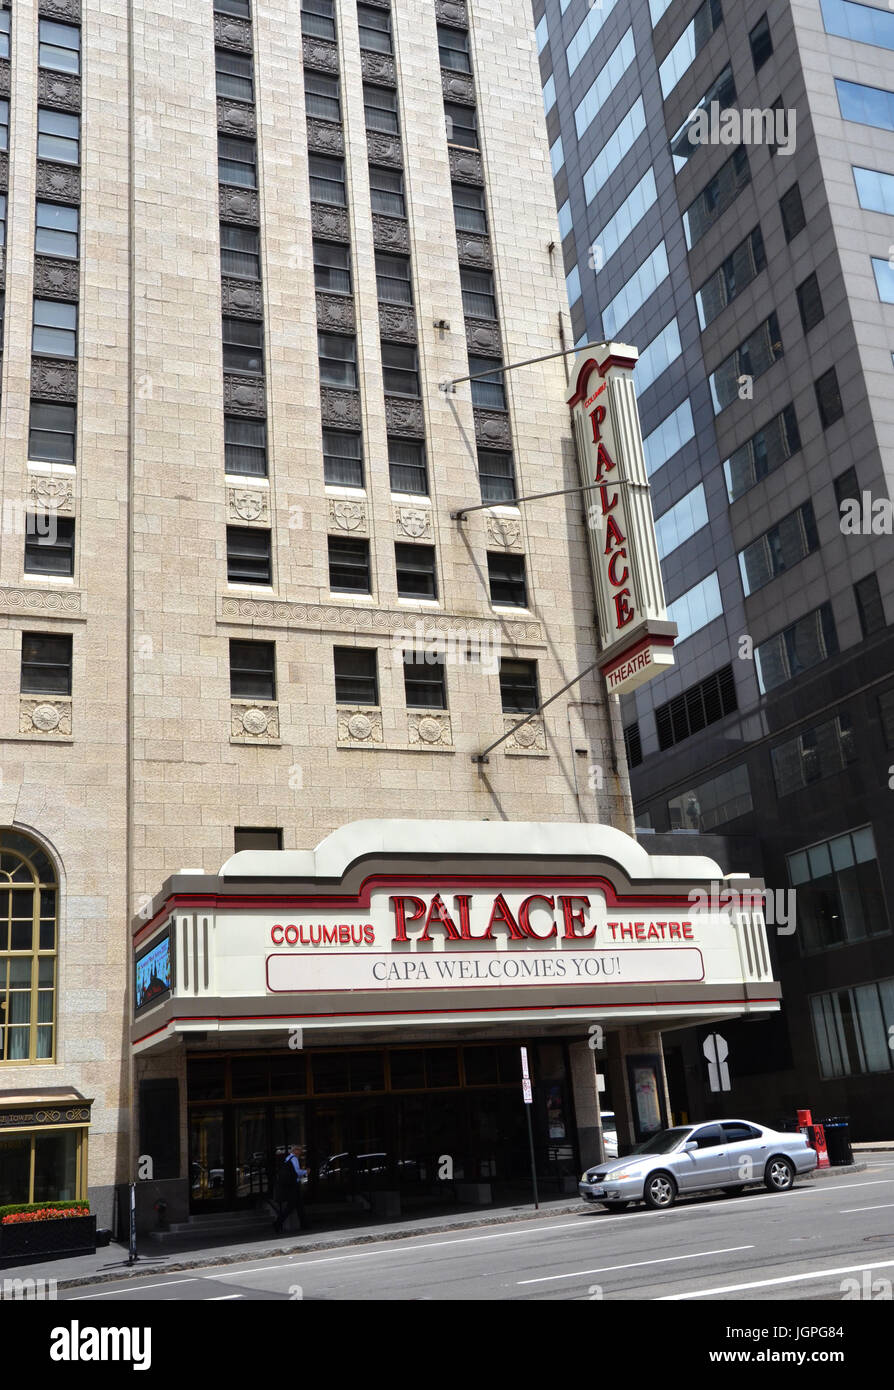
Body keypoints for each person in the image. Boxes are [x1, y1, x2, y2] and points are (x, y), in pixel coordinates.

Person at [274, 1144, 309, 1233]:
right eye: (299, 1150)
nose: (301, 1152)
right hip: (293, 1186)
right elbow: (297, 1172)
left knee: (299, 1206)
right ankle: (278, 1223)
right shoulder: (294, 1159)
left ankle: (304, 1224)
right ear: (295, 1151)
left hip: (290, 1185)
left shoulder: (287, 1158)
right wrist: (306, 1171)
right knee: (291, 1206)